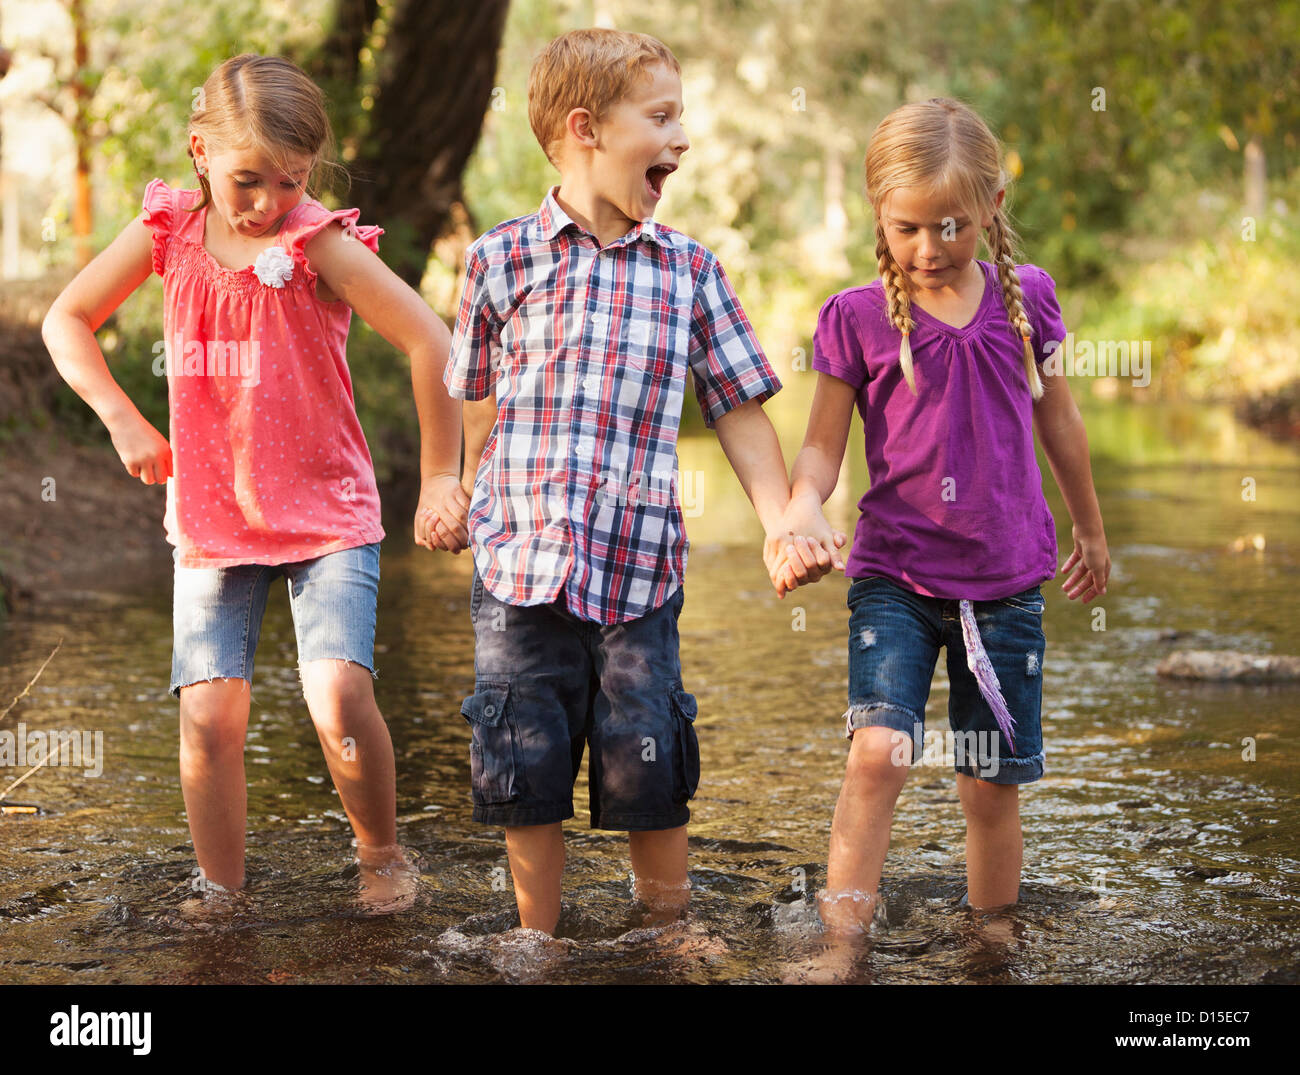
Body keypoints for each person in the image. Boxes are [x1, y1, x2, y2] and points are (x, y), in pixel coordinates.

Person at [42, 54, 466, 910]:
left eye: (291, 181)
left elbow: (432, 341)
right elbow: (67, 318)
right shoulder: (166, 232)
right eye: (249, 181)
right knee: (208, 716)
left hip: (329, 511)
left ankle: (382, 858)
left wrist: (438, 478)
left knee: (340, 694)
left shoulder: (319, 244)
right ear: (200, 152)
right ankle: (222, 895)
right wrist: (123, 416)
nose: (269, 202)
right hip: (212, 515)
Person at [429, 28, 825, 936]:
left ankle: (668, 928)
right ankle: (537, 937)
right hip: (518, 565)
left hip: (639, 568)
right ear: (584, 129)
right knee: (522, 752)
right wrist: (453, 486)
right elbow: (474, 396)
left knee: (647, 755)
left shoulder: (688, 271)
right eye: (661, 117)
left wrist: (778, 522)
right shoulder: (500, 260)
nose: (682, 139)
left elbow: (737, 408)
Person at [777, 97, 1111, 942]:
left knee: (989, 783)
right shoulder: (854, 318)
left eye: (952, 226)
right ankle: (842, 943)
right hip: (894, 574)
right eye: (909, 229)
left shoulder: (1027, 297)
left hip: (1005, 578)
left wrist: (1091, 528)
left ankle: (990, 937)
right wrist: (799, 505)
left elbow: (1059, 422)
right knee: (877, 753)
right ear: (881, 220)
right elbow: (821, 449)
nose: (929, 249)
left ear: (993, 206)